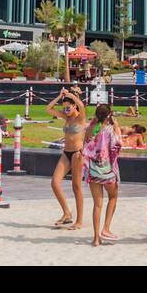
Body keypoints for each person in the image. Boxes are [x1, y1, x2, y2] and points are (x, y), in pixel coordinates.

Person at [82, 103, 122, 246]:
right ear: (109, 115)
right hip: (107, 170)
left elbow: (84, 148)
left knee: (97, 205)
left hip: (93, 171)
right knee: (113, 197)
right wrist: (117, 128)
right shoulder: (110, 129)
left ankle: (96, 238)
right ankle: (106, 228)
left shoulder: (90, 129)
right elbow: (117, 146)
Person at [46, 88, 87, 229]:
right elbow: (49, 109)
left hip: (77, 153)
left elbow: (81, 106)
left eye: (68, 108)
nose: (66, 110)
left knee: (76, 187)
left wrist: (71, 95)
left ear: (74, 106)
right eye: (64, 108)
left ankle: (79, 220)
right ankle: (67, 213)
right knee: (54, 183)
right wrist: (60, 96)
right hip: (66, 153)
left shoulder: (80, 117)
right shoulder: (66, 117)